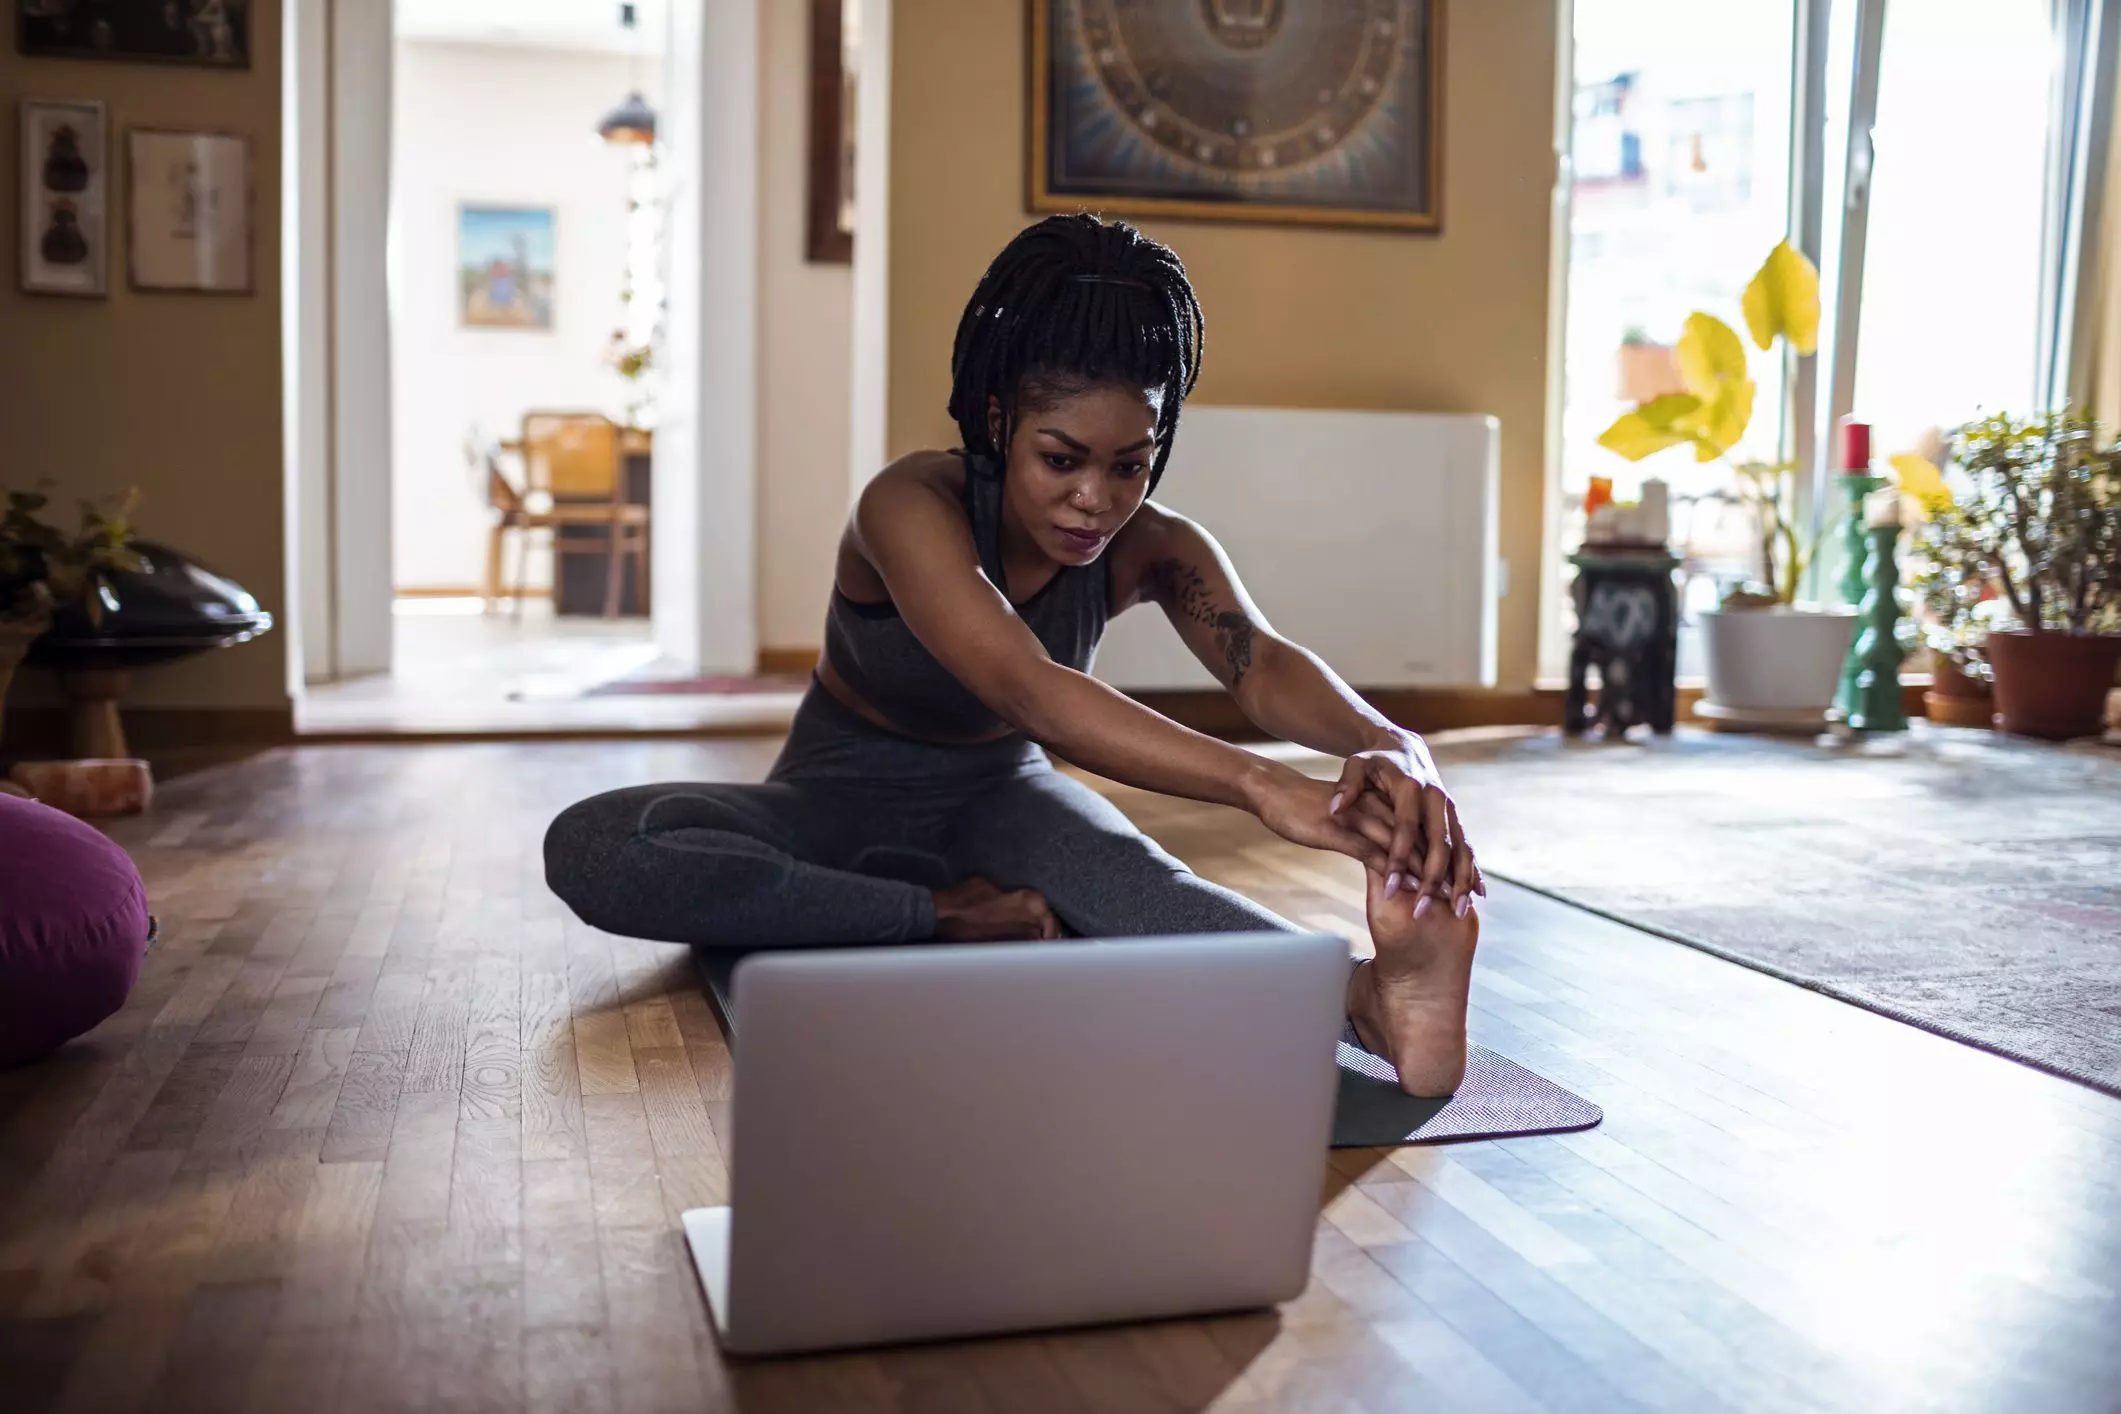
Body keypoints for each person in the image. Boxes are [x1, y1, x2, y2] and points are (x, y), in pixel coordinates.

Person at [545, 214, 1483, 1094]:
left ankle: (1369, 1000)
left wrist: (1389, 739)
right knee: (599, 846)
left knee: (1138, 884)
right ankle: (940, 912)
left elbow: (1261, 664)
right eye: (1061, 458)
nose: (1096, 500)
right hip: (831, 800)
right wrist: (1262, 785)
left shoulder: (1156, 546)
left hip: (1003, 805)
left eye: (1130, 464)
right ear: (999, 425)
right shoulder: (908, 507)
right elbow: (1028, 686)